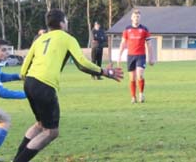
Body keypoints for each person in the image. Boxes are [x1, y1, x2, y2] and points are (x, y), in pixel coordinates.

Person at [12, 9, 122, 162]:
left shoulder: (39, 39)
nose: (67, 23)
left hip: (30, 82)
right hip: (45, 85)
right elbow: (82, 64)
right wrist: (105, 72)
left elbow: (24, 69)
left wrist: (31, 82)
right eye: (66, 20)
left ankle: (16, 159)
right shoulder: (67, 38)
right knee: (51, 132)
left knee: (40, 125)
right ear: (62, 23)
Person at [118, 9, 154, 103]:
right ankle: (133, 97)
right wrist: (119, 56)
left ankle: (141, 94)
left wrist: (151, 57)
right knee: (132, 78)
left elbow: (149, 44)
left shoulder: (144, 29)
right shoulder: (127, 29)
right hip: (130, 56)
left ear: (140, 18)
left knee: (140, 74)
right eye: (134, 16)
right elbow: (123, 43)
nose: (136, 18)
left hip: (141, 56)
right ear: (131, 18)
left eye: (138, 17)